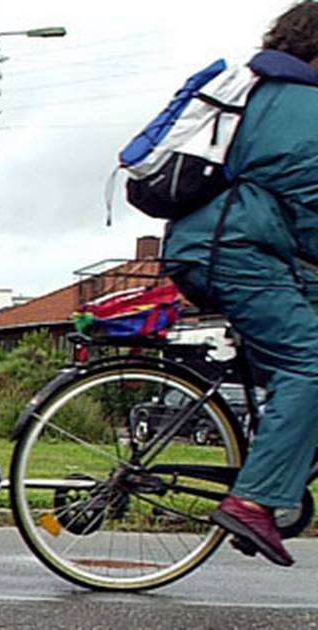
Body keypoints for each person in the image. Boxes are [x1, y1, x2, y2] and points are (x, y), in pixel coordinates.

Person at [165, 1, 318, 567]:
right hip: (232, 251)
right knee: (311, 363)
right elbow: (311, 201)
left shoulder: (260, 89)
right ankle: (255, 499)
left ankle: (281, 462)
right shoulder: (301, 106)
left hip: (227, 246)